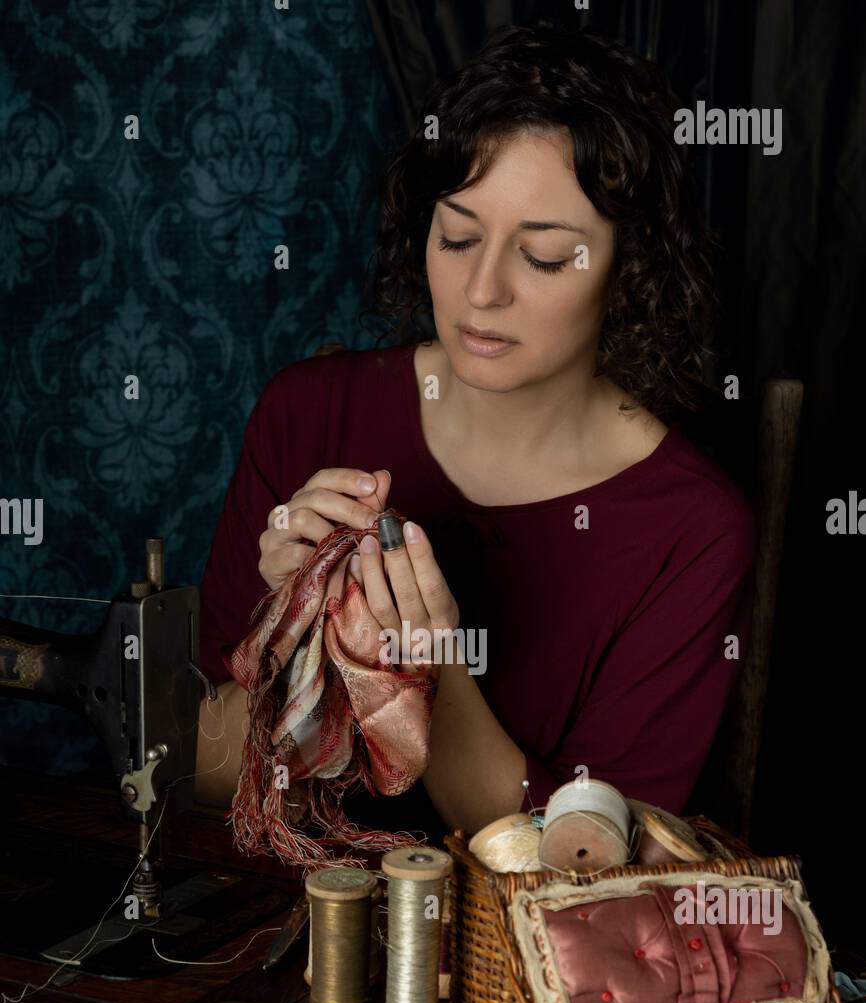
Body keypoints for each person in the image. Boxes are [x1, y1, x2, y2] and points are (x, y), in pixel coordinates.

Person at [194, 21, 756, 845]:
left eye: (543, 257)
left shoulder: (693, 530)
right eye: (457, 237)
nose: (481, 290)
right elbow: (198, 777)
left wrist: (427, 672)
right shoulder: (306, 414)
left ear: (628, 268)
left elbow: (582, 875)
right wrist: (294, 632)